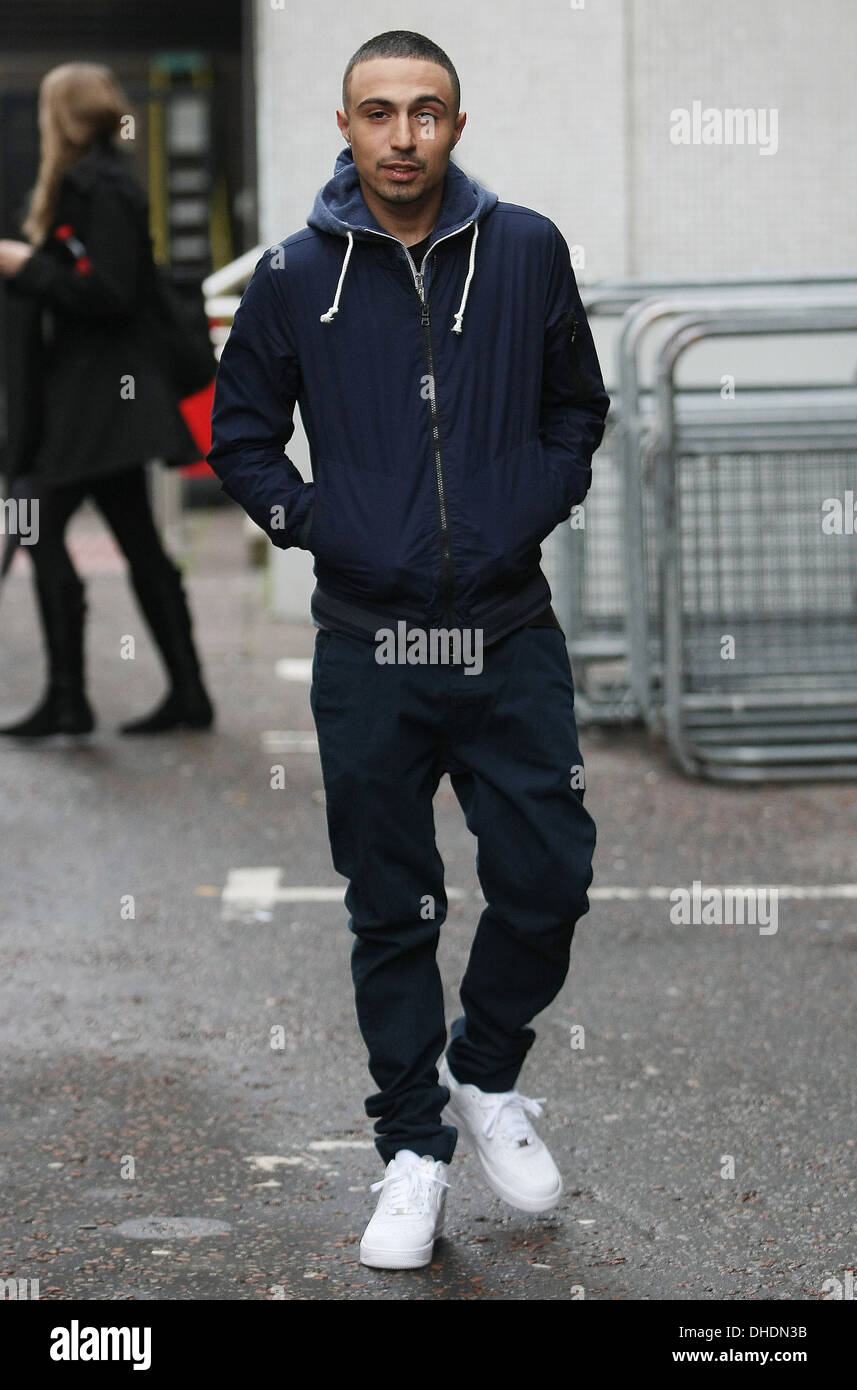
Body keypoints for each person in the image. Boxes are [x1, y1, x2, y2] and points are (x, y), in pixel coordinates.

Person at [207, 30, 609, 1270]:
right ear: (343, 124)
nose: (400, 135)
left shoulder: (527, 248)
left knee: (547, 869)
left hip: (503, 627)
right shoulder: (290, 274)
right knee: (392, 907)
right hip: (368, 639)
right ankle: (415, 1149)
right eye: (377, 112)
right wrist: (329, 528)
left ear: (456, 123)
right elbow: (241, 438)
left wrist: (513, 512)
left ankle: (483, 1073)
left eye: (423, 111)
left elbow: (573, 406)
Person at [0, 62, 214, 740]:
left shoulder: (102, 185)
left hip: (101, 400)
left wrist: (25, 268)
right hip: (99, 401)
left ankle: (71, 698)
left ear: (60, 114)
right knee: (135, 540)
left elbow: (114, 292)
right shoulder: (96, 181)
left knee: (36, 514)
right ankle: (186, 692)